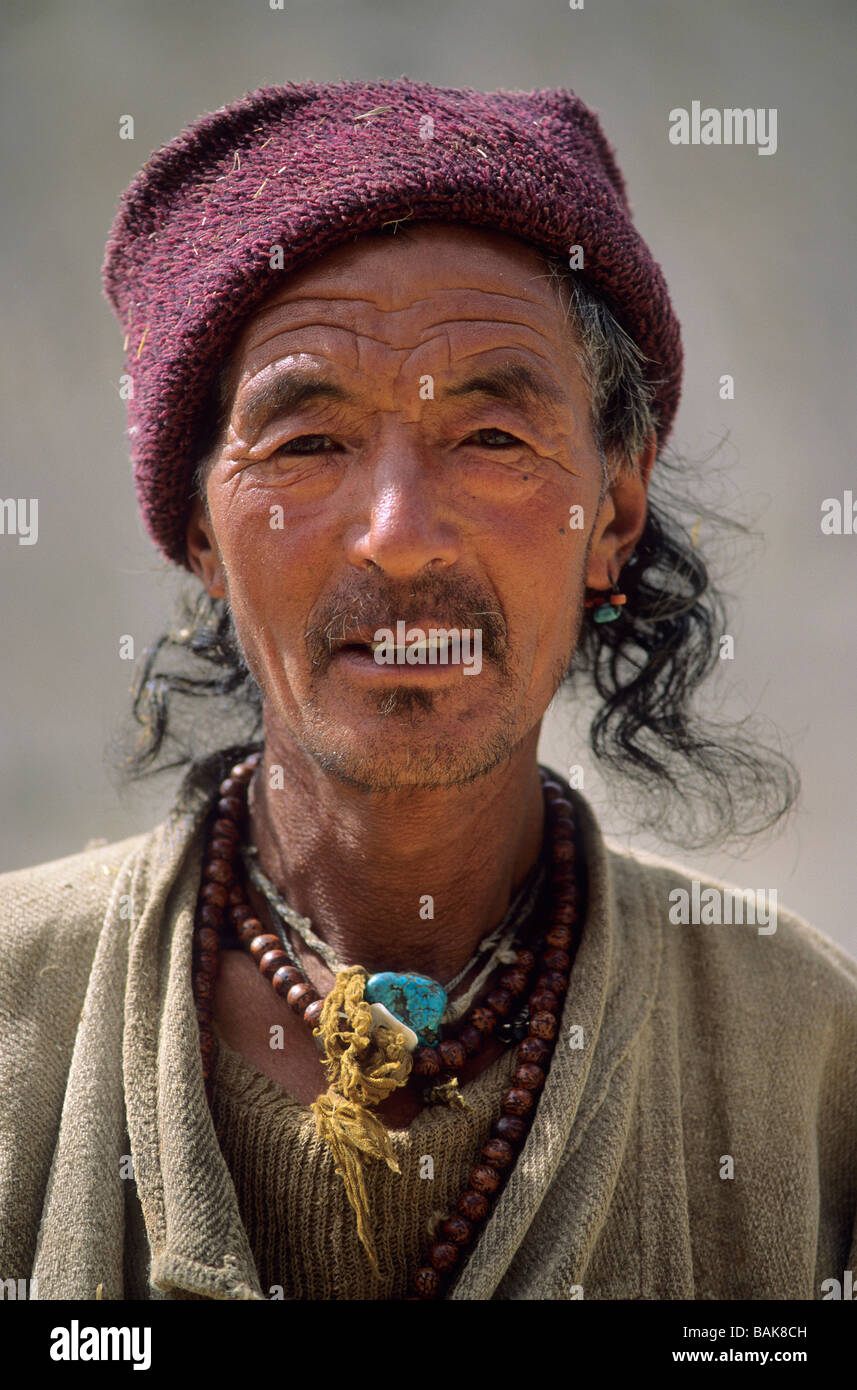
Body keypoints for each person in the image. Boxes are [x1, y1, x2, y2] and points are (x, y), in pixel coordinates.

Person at [1, 78, 855, 1303]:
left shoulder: (805, 1058)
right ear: (197, 526)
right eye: (307, 442)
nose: (400, 537)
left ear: (610, 512)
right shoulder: (14, 1011)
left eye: (493, 438)